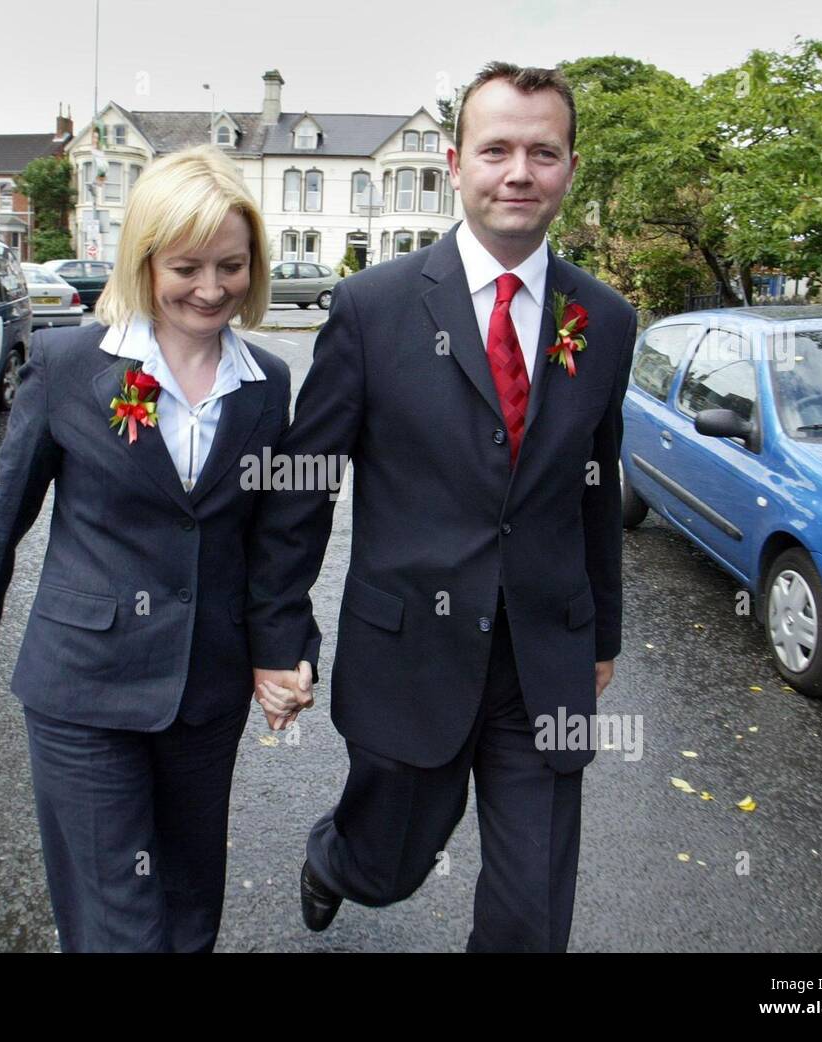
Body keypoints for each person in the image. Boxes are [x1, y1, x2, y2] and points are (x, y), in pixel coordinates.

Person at [247, 63, 638, 952]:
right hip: (409, 652)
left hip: (548, 653)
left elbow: (595, 483)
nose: (519, 171)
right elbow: (304, 485)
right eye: (497, 149)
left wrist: (603, 636)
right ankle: (338, 862)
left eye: (543, 152)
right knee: (391, 868)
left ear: (569, 169)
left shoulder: (605, 320)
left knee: (533, 908)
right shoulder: (371, 307)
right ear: (457, 163)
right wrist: (279, 630)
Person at [0, 145, 313, 952]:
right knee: (116, 919)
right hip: (83, 687)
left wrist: (282, 653)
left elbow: (270, 538)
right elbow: (8, 507)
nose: (211, 289)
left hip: (204, 690)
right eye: (187, 267)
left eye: (232, 266)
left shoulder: (268, 383)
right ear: (144, 260)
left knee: (187, 903)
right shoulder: (72, 363)